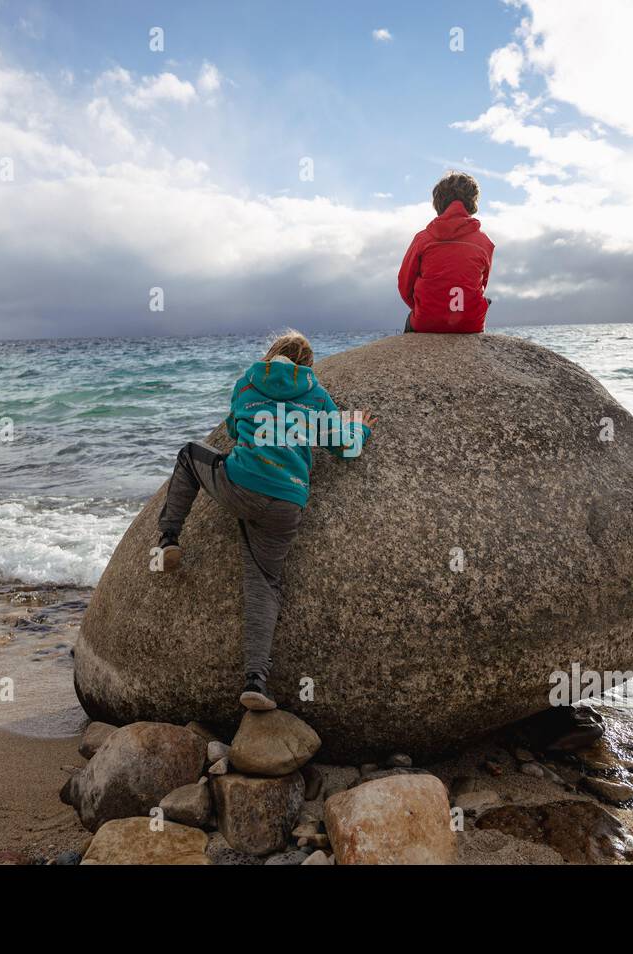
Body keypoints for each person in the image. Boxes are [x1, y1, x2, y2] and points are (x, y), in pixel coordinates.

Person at [153, 331, 377, 710]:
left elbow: (234, 429)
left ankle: (168, 539)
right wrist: (361, 428)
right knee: (264, 584)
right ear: (306, 364)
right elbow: (345, 448)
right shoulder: (315, 394)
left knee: (190, 454)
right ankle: (255, 680)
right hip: (286, 501)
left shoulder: (246, 383)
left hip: (239, 485)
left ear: (271, 355)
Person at [398, 171, 495, 333]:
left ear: (439, 203)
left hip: (426, 321)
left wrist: (424, 309)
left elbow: (404, 284)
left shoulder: (423, 238)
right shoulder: (485, 242)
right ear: (472, 202)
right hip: (470, 324)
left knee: (411, 321)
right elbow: (481, 283)